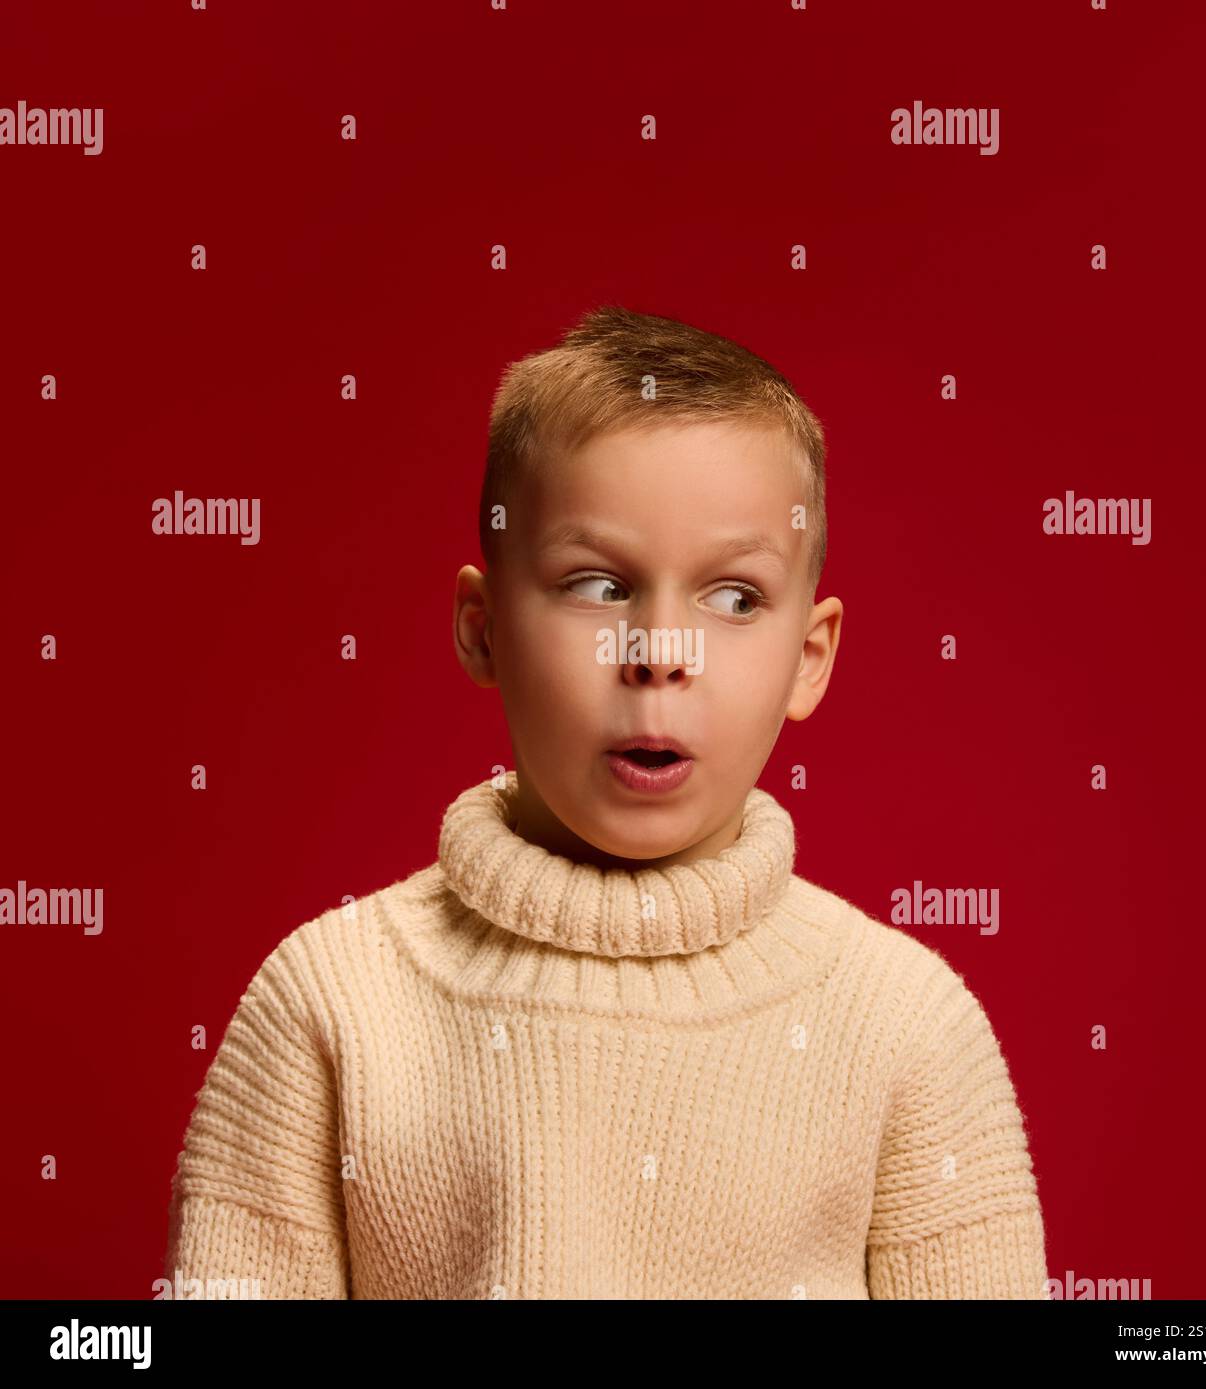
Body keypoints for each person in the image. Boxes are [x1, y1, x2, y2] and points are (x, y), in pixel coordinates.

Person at [164, 305, 1048, 1299]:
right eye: (596, 584)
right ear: (483, 628)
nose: (660, 653)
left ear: (809, 659)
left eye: (733, 599)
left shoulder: (903, 1024)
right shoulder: (330, 1006)